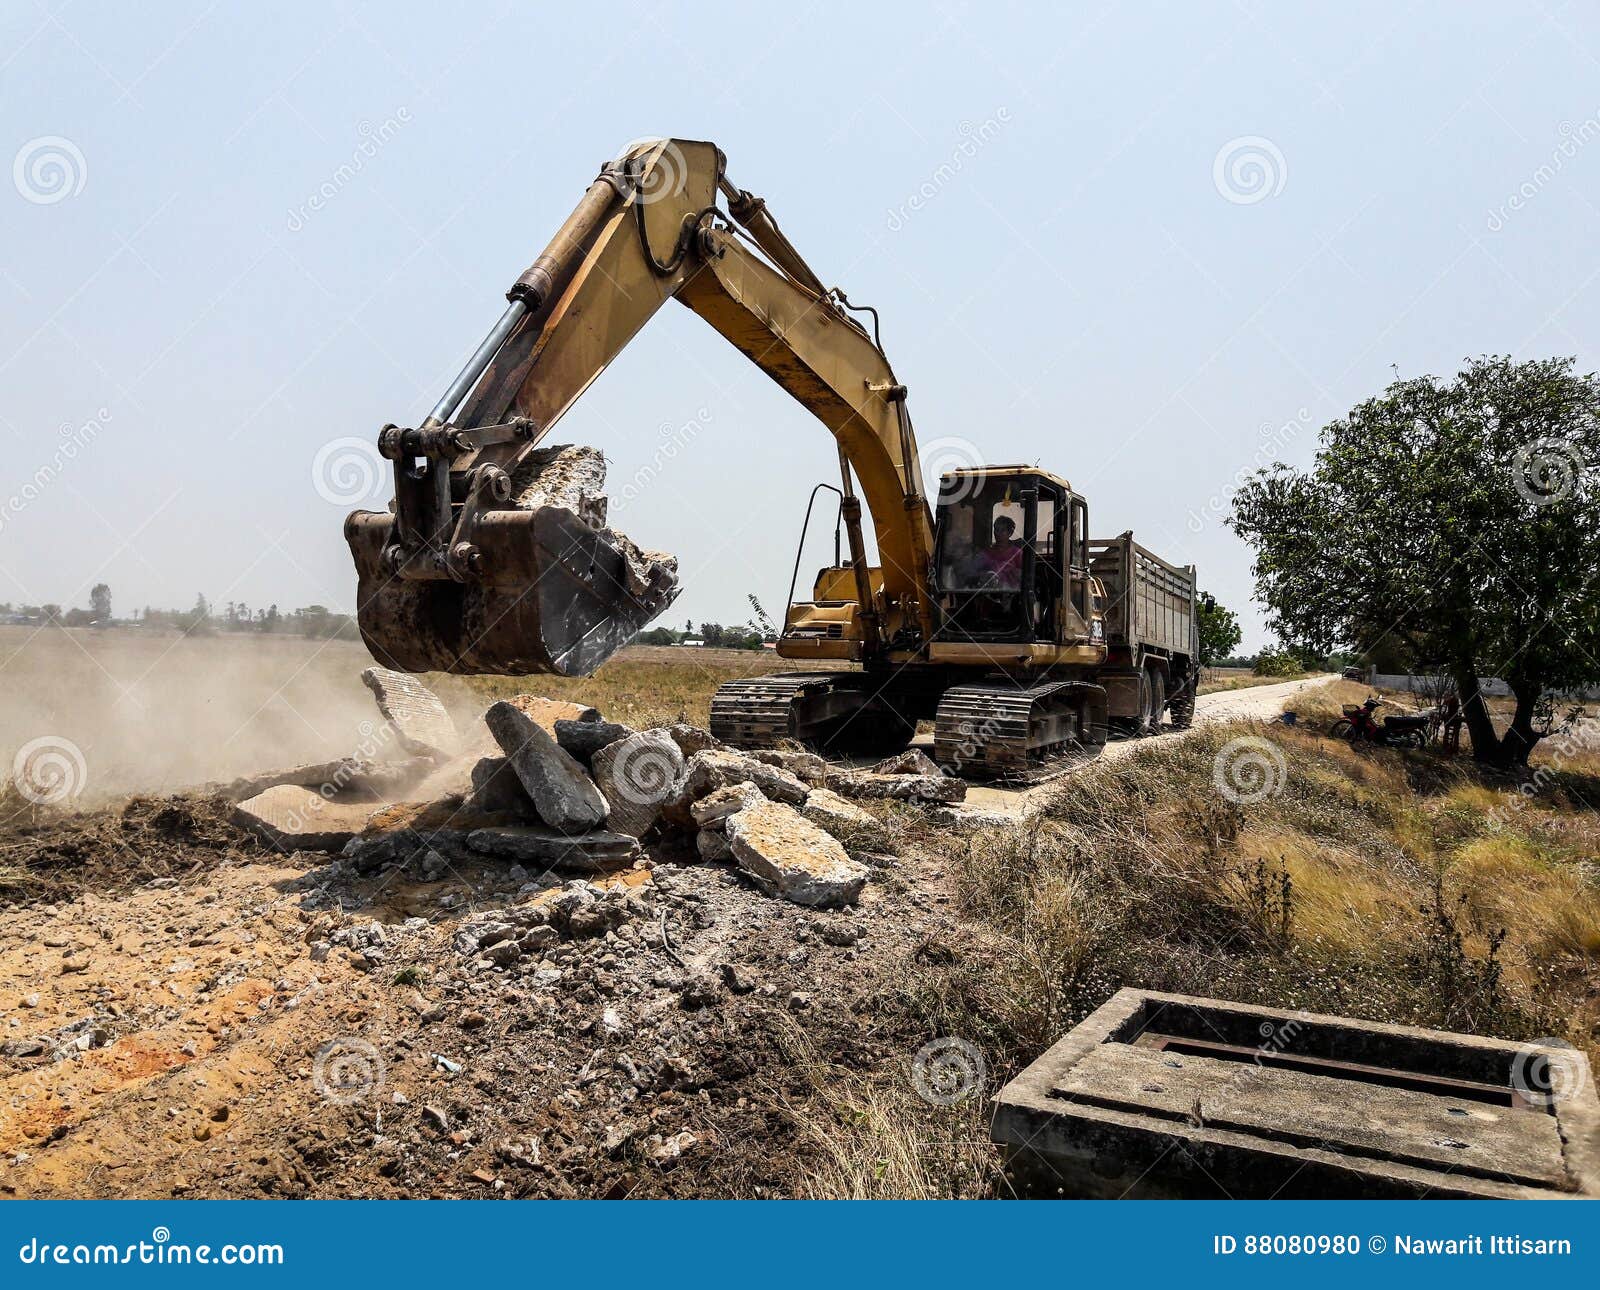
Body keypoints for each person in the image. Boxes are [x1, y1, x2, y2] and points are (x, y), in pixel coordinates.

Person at [978, 515, 1022, 587]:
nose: (998, 533)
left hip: (1011, 593)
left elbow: (1023, 577)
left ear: (1010, 533)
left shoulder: (1017, 553)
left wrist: (1012, 572)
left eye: (1002, 530)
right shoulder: (987, 552)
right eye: (996, 529)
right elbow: (977, 571)